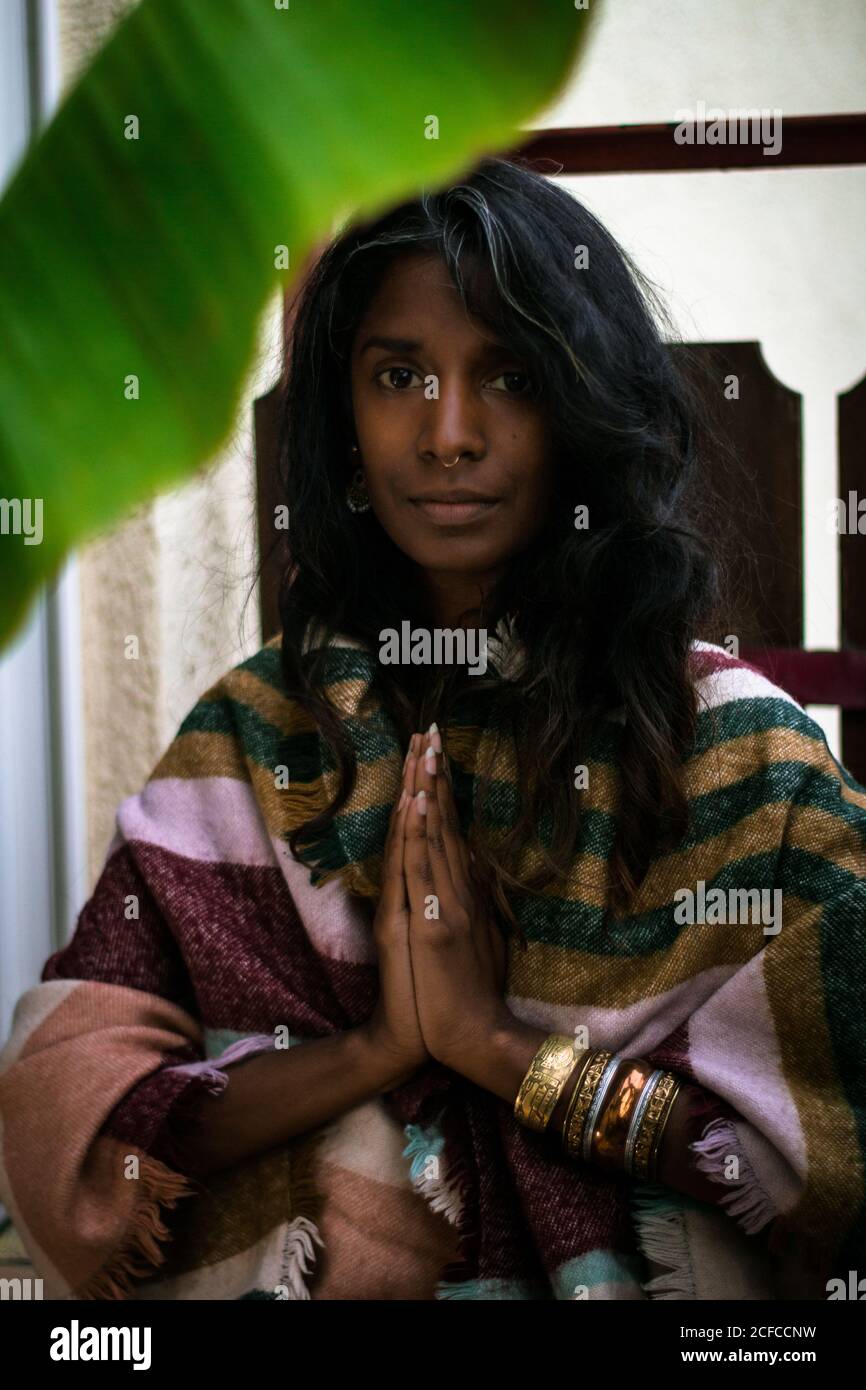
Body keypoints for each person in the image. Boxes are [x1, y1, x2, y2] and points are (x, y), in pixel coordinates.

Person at [1, 156, 864, 1301]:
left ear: (582, 406)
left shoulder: (741, 757)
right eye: (396, 374)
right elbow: (78, 1101)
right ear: (341, 417)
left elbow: (837, 1137)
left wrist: (495, 1049)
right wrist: (376, 1052)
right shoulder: (260, 737)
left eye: (505, 376)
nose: (446, 431)